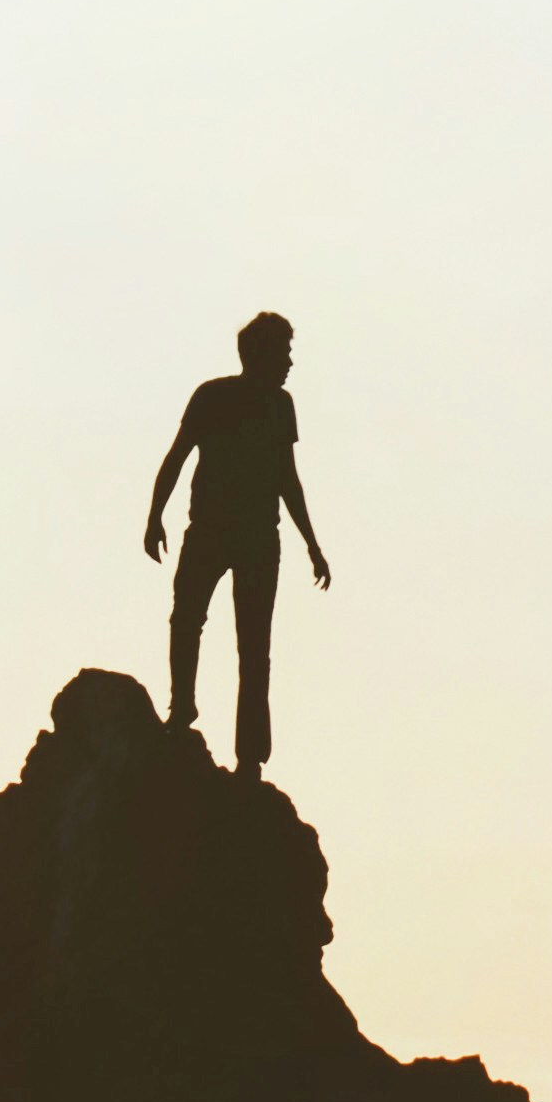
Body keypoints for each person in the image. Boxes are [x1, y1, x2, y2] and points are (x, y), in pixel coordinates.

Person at [144, 312, 329, 771]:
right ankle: (182, 710)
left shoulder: (281, 406)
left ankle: (250, 756)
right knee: (188, 620)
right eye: (284, 352)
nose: (290, 361)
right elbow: (177, 456)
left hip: (259, 540)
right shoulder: (212, 397)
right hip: (209, 530)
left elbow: (289, 480)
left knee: (253, 646)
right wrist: (154, 516)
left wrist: (312, 543)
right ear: (259, 354)